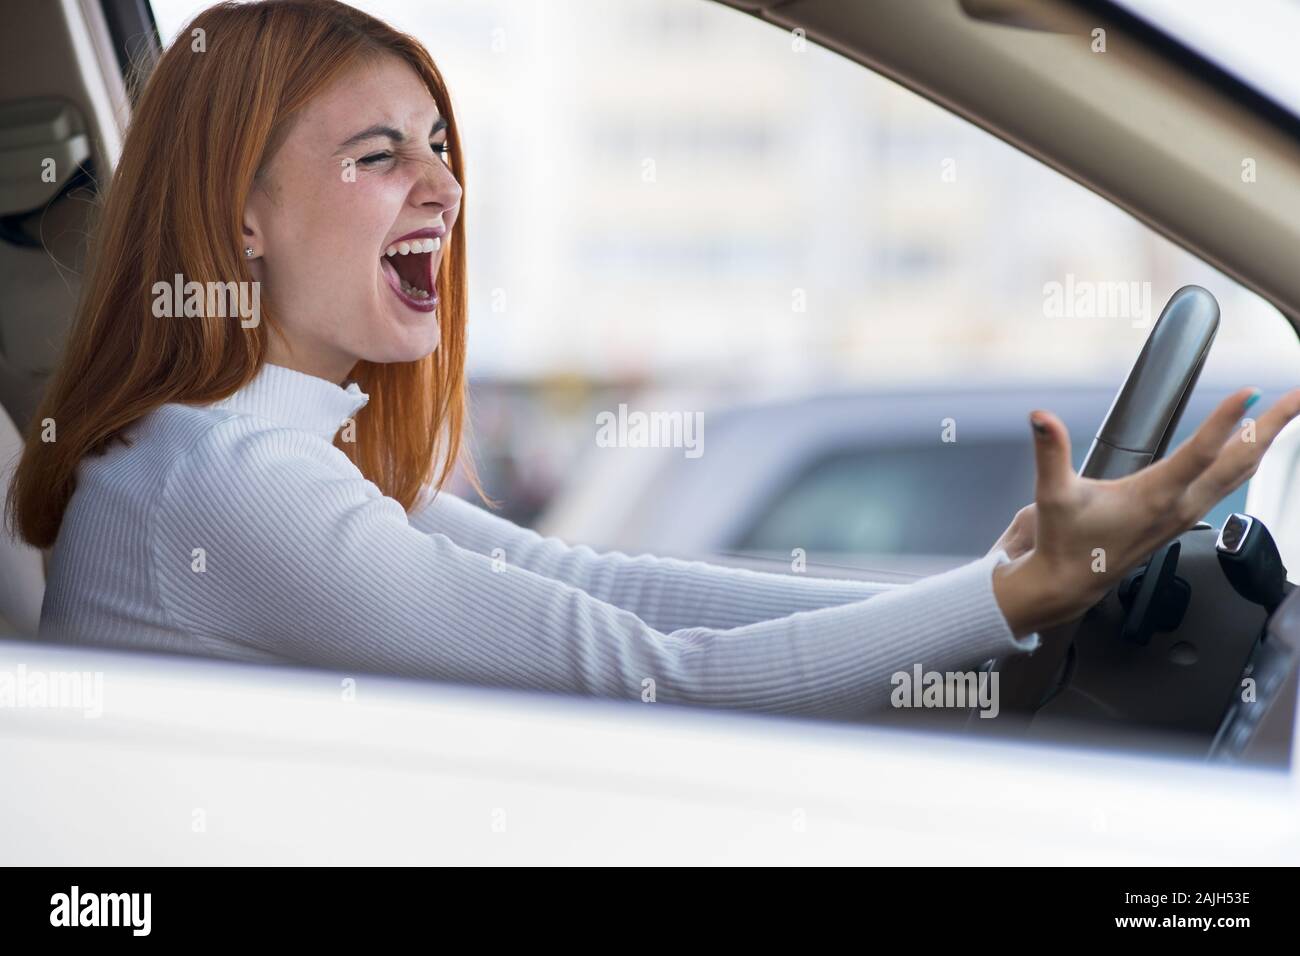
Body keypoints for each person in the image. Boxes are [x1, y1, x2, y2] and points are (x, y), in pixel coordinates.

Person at [8, 0, 1298, 719]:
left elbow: (624, 593)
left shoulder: (258, 453)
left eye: (440, 144)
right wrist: (1018, 601)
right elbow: (639, 674)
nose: (445, 187)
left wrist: (1009, 572)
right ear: (240, 213)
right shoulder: (225, 488)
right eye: (378, 154)